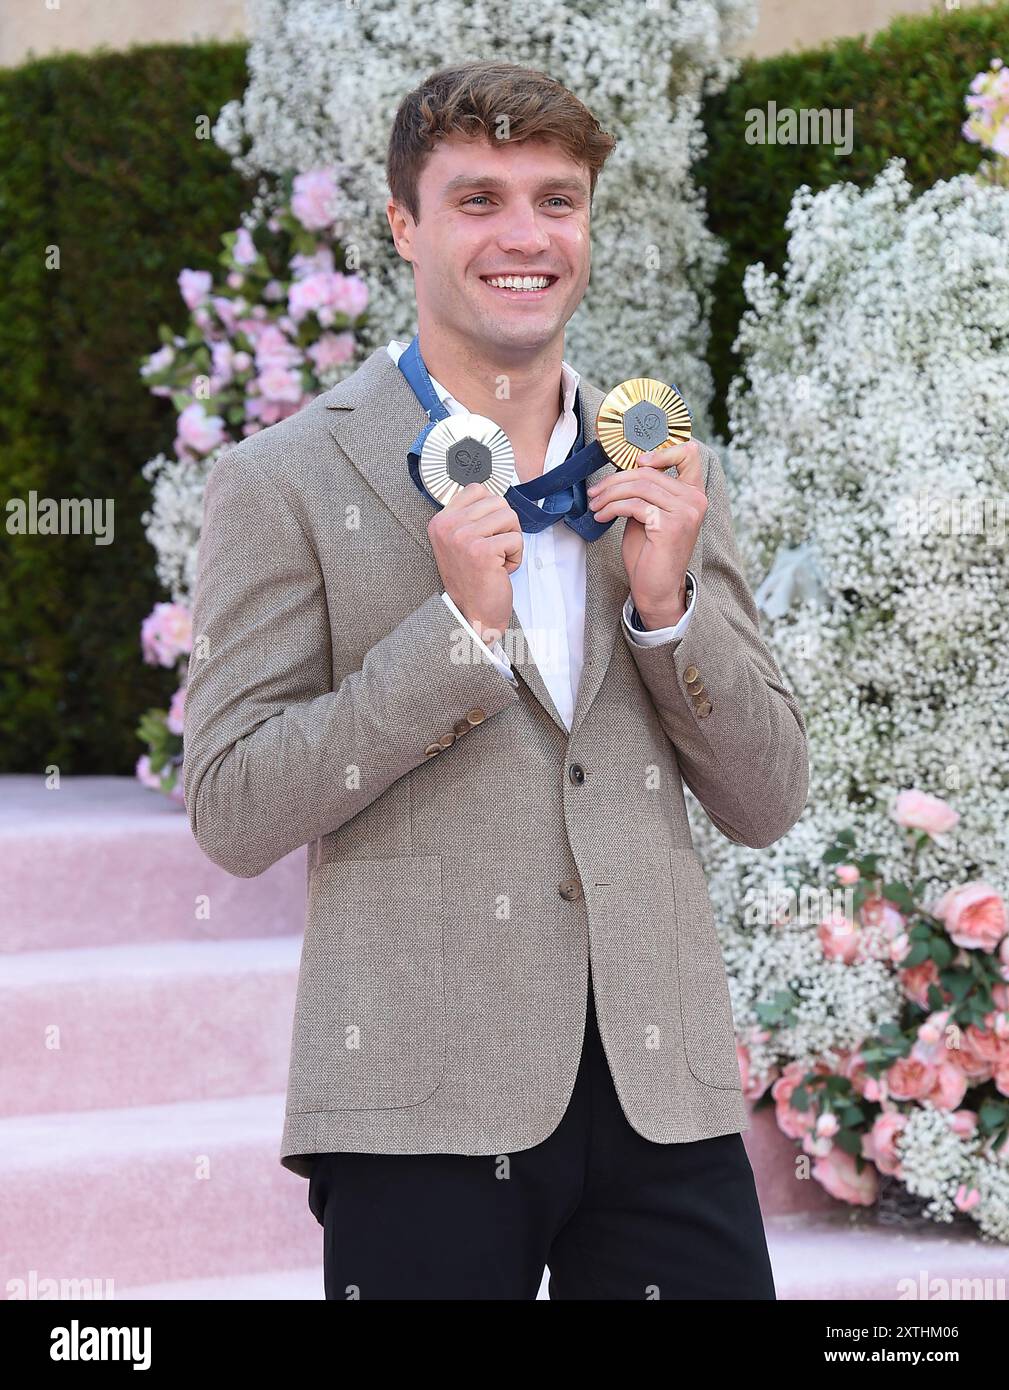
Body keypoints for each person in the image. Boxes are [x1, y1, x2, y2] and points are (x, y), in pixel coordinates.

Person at [183, 60, 809, 1300]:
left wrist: (666, 608)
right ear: (404, 227)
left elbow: (768, 798)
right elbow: (233, 805)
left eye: (555, 199)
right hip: (418, 1102)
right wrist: (450, 643)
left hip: (660, 1094)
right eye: (478, 200)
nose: (524, 235)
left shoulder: (668, 459)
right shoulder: (284, 479)